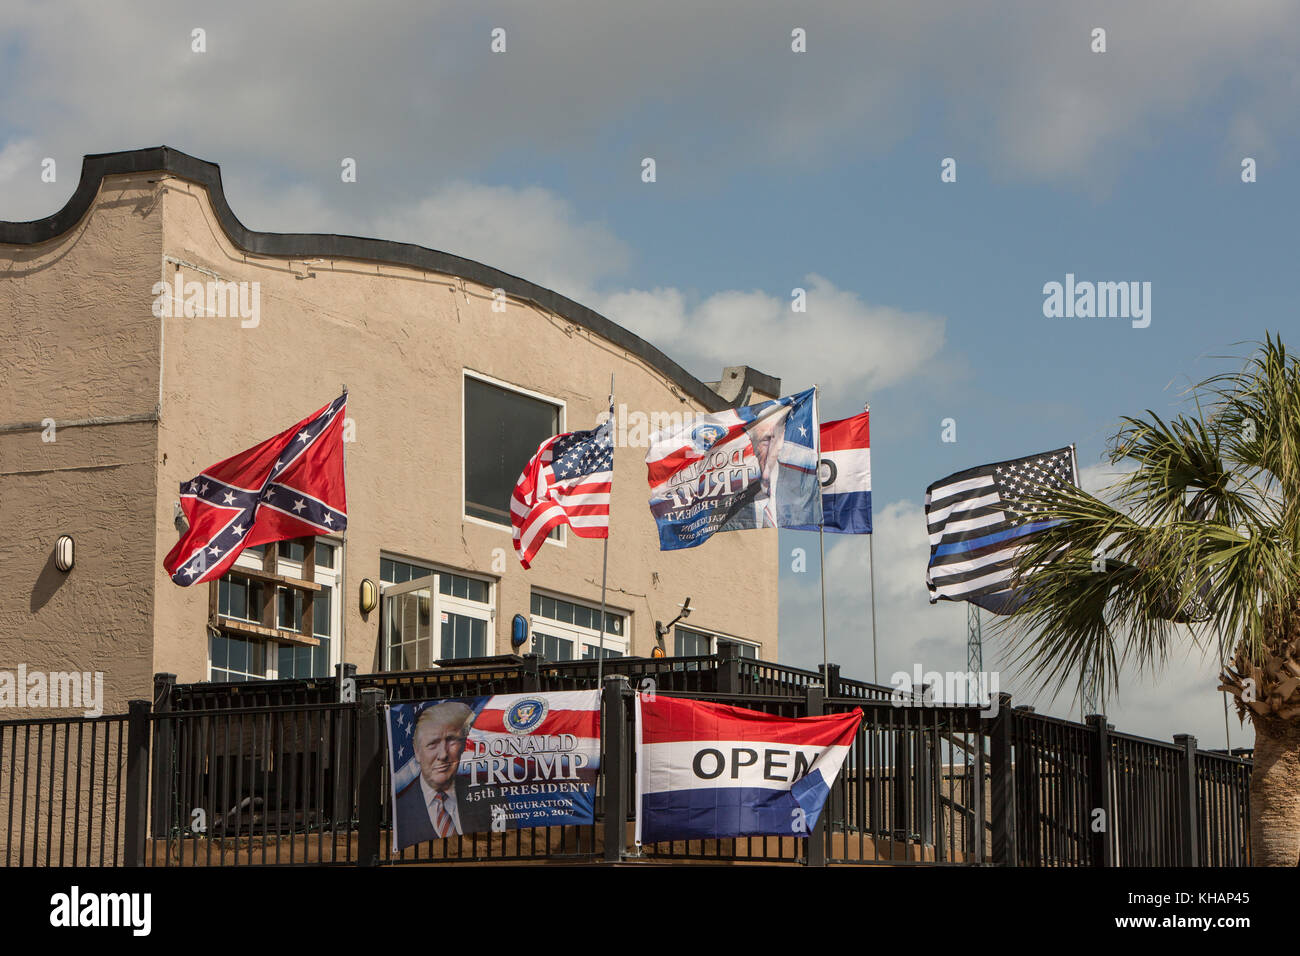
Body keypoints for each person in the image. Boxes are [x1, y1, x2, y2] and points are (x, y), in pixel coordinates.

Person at [394, 701, 491, 844]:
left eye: (451, 741)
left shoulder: (490, 797)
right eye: (432, 744)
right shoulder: (400, 809)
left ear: (463, 745)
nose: (443, 754)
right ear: (417, 751)